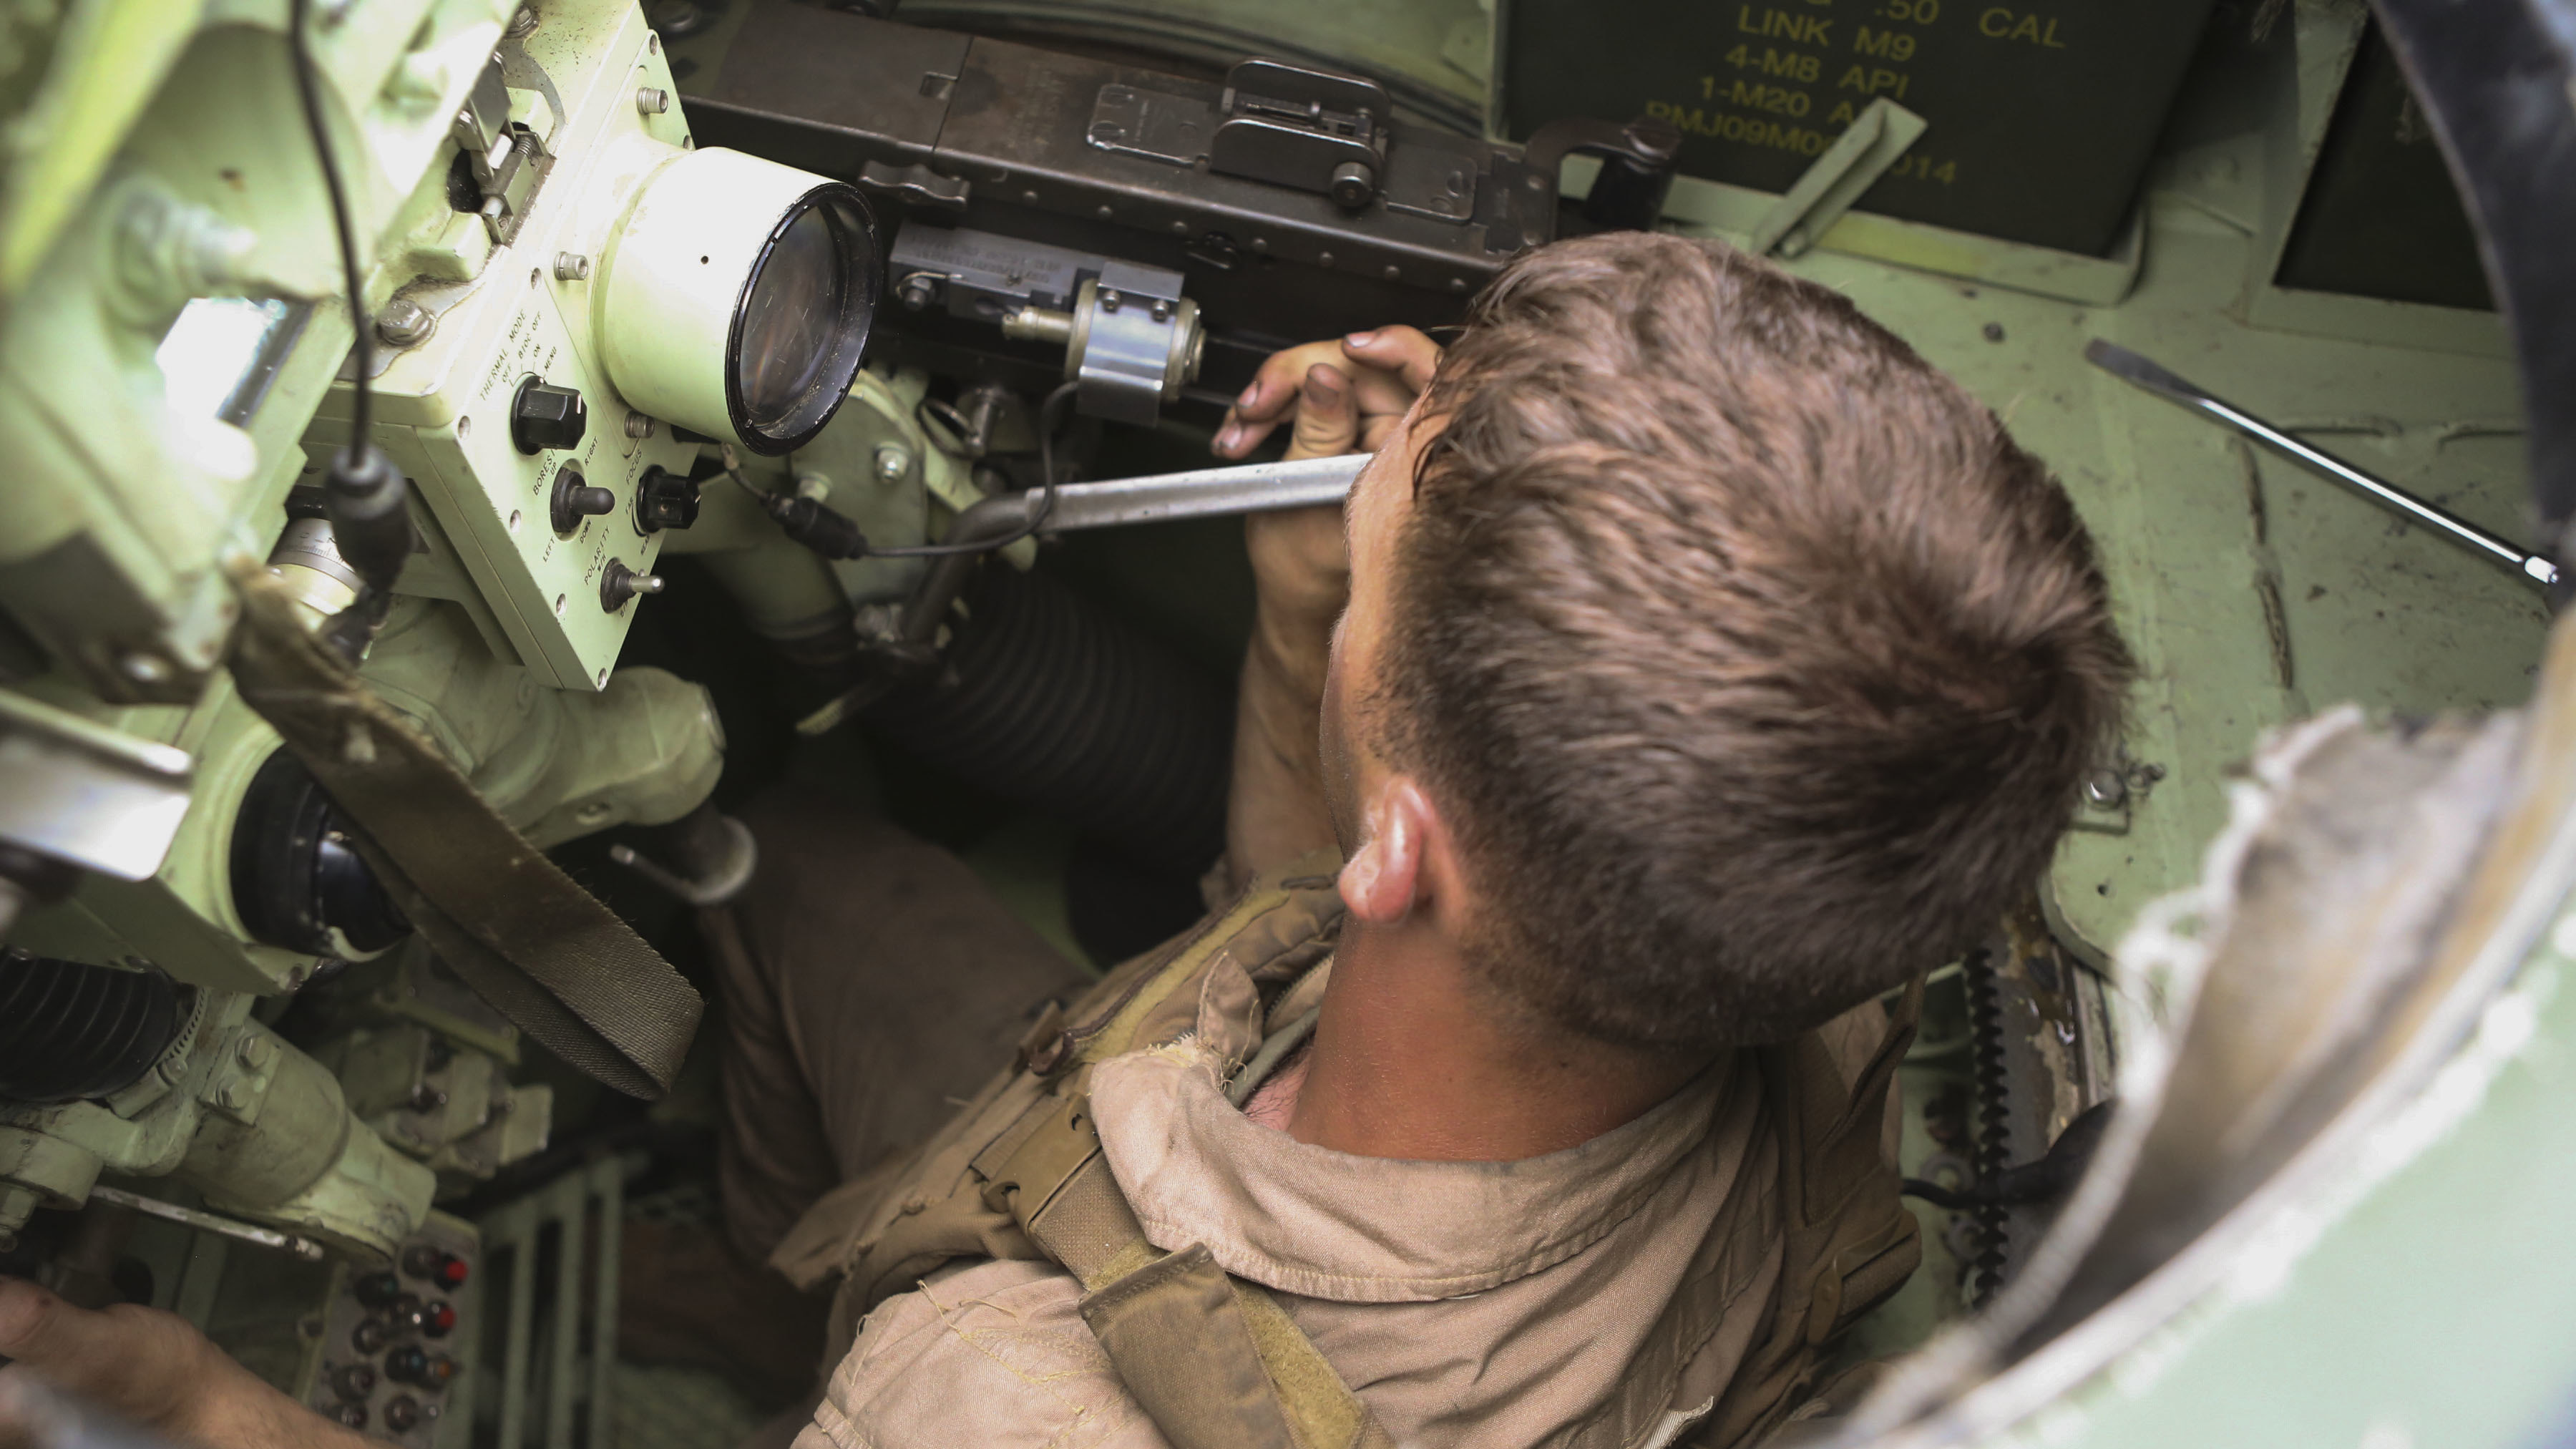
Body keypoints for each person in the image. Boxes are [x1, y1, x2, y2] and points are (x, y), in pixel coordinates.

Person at [0, 230, 2130, 1449]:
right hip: (1150, 1114)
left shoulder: (990, 1397)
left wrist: (190, 1402)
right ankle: (765, 1289)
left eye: (1371, 537)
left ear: (1416, 844)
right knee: (801, 870)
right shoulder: (1840, 858)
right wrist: (1315, 613)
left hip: (1051, 1284)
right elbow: (1293, 928)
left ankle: (783, 1343)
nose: (1347, 492)